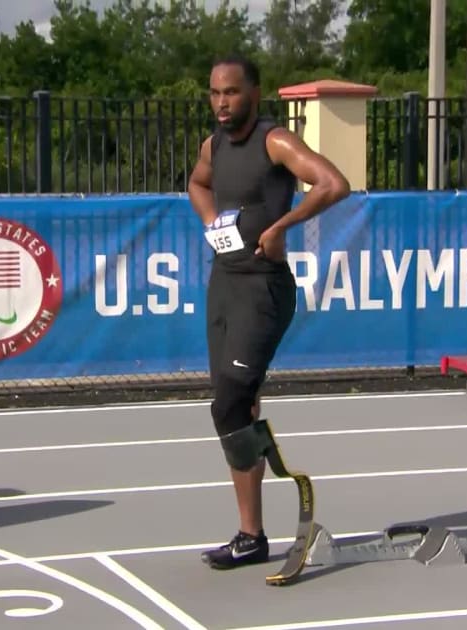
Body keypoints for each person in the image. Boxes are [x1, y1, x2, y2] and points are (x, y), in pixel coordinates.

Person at [186, 53, 350, 569]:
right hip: (224, 286)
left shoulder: (275, 141)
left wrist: (282, 226)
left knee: (229, 405)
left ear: (255, 93)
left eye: (231, 92)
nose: (221, 102)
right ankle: (250, 535)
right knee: (236, 404)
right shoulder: (212, 146)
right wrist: (214, 222)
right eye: (214, 93)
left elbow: (333, 183)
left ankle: (271, 486)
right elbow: (197, 183)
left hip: (265, 290)